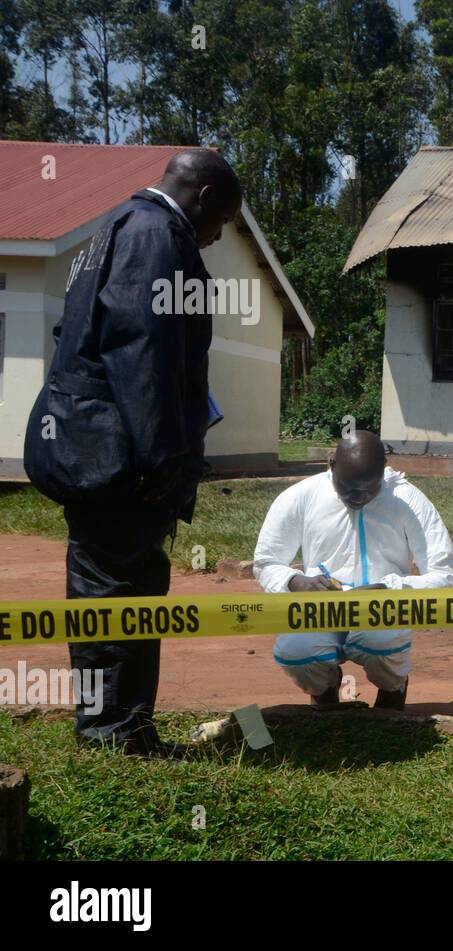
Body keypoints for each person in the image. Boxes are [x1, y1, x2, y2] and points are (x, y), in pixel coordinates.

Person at [23, 149, 243, 758]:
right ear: (202, 199)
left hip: (93, 449)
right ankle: (113, 733)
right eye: (222, 221)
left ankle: (122, 726)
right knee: (116, 590)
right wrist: (159, 459)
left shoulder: (114, 226)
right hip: (120, 460)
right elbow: (141, 352)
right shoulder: (156, 235)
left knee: (121, 586)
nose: (218, 235)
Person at [253, 431, 453, 710]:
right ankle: (325, 693)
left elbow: (444, 574)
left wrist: (390, 589)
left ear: (383, 473)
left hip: (383, 609)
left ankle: (392, 692)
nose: (357, 497)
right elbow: (266, 561)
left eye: (369, 489)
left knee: (376, 639)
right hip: (322, 608)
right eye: (347, 487)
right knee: (294, 651)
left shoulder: (407, 499)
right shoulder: (301, 496)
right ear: (332, 464)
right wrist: (294, 580)